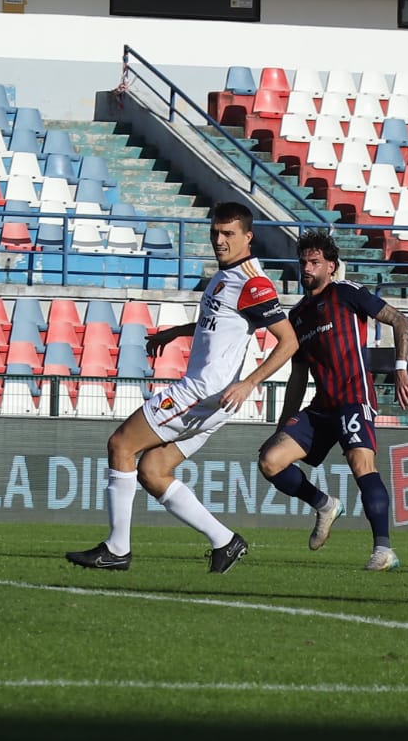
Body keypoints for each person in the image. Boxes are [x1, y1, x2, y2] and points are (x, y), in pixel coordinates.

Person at [65, 201, 298, 574]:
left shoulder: (252, 282)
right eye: (215, 233)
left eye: (228, 234)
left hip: (202, 393)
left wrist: (248, 382)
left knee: (121, 444)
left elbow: (289, 341)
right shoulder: (226, 276)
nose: (219, 241)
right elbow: (222, 324)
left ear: (247, 236)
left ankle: (117, 549)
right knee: (153, 471)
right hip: (212, 397)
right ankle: (225, 541)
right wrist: (177, 332)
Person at [257, 231, 408, 571]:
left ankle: (383, 549)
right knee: (270, 461)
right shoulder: (298, 316)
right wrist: (282, 424)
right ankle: (325, 504)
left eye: (314, 262)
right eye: (303, 262)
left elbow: (399, 320)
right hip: (321, 407)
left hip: (353, 397)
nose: (307, 268)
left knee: (362, 466)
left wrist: (401, 369)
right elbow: (298, 377)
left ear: (331, 266)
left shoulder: (345, 292)